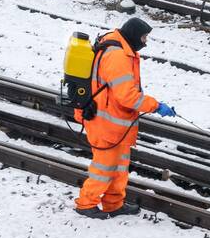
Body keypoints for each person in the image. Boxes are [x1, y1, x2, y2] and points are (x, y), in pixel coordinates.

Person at [73, 16, 176, 218]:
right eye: (144, 37)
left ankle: (113, 203)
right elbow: (127, 96)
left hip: (114, 122)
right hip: (105, 122)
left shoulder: (116, 43)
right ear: (134, 36)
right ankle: (86, 204)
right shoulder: (118, 56)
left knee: (119, 168)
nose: (145, 42)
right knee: (104, 168)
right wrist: (155, 106)